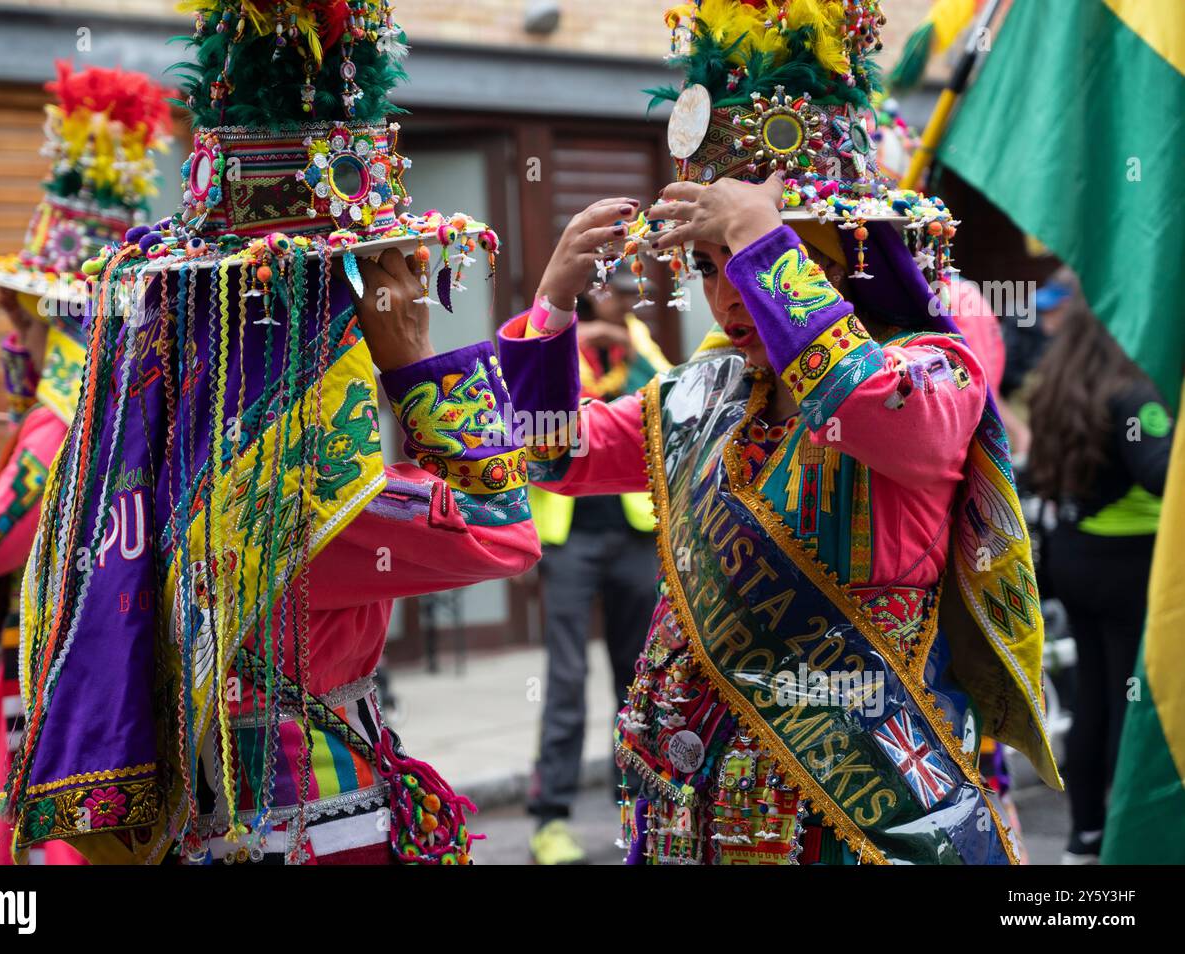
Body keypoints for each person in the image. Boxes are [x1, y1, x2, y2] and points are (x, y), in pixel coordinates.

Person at [497, 0, 1059, 864]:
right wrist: (551, 308)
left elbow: (863, 404)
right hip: (703, 803)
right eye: (709, 267)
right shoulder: (701, 388)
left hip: (860, 811)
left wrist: (758, 236)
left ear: (845, 261)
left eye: (755, 261)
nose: (730, 296)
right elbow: (552, 452)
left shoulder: (932, 369)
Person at [1, 2, 539, 865]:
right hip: (317, 831)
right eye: (372, 286)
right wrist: (414, 364)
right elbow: (506, 527)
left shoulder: (135, 451)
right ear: (337, 319)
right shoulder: (329, 495)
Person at [0, 62, 174, 865]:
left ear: (52, 320)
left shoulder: (55, 423)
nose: (8, 335)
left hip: (52, 683)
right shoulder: (124, 406)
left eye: (15, 313)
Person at [1027, 278, 1175, 864]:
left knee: (1095, 699)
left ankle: (1085, 837)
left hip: (1074, 560)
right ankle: (1127, 841)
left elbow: (1039, 472)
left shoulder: (1062, 382)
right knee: (1131, 703)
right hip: (1129, 570)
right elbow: (1162, 474)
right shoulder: (1134, 391)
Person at [527, 275, 670, 864]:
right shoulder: (561, 341)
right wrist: (584, 336)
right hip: (567, 542)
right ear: (588, 293)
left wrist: (625, 343)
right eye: (618, 283)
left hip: (635, 537)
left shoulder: (638, 342)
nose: (630, 291)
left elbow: (663, 402)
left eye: (635, 284)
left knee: (637, 686)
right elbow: (539, 411)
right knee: (564, 681)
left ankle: (637, 815)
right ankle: (549, 822)